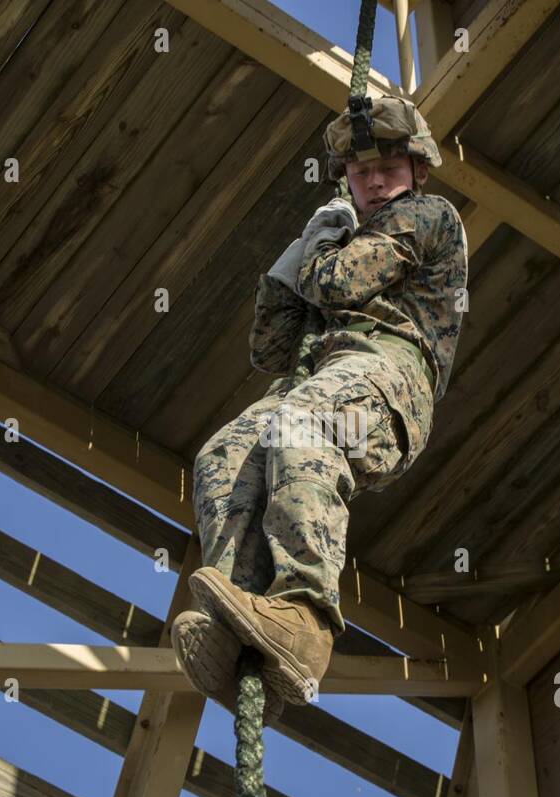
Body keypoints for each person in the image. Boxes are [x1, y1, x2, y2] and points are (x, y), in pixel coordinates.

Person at [171, 95, 468, 725]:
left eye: (389, 163)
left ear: (417, 168)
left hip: (387, 380)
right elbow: (271, 345)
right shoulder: (337, 241)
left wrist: (326, 241)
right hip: (331, 374)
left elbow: (338, 286)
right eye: (360, 172)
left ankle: (304, 615)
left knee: (304, 422)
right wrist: (305, 246)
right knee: (223, 454)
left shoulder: (429, 216)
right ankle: (242, 614)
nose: (375, 179)